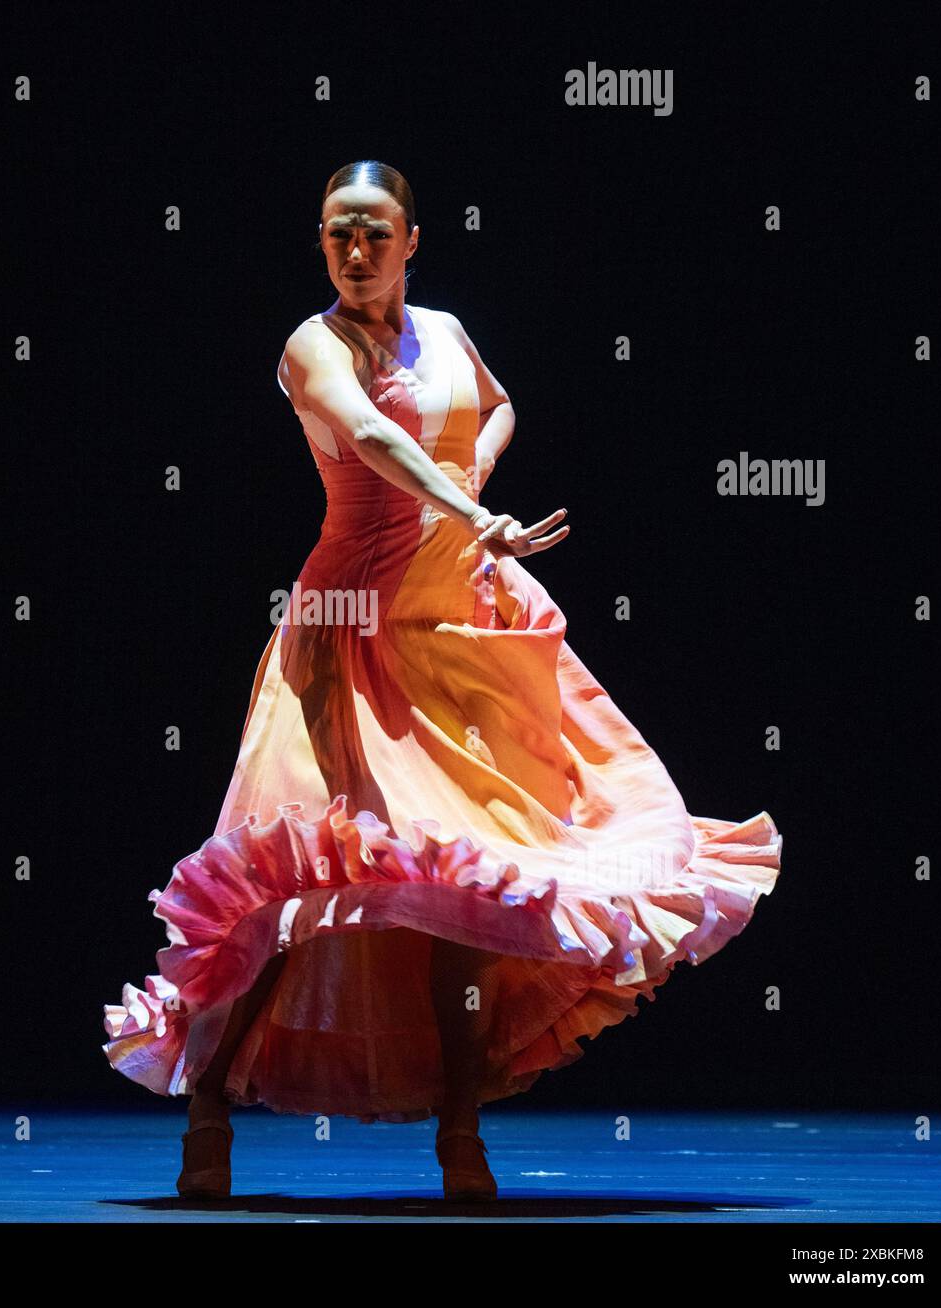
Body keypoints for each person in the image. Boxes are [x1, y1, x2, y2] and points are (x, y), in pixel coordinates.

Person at [104, 160, 782, 1202]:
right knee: (304, 889)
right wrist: (466, 512)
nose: (356, 251)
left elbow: (497, 404)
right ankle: (206, 1110)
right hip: (344, 638)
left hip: (451, 635)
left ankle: (461, 1132)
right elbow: (373, 435)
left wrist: (474, 490)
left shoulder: (449, 332)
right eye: (338, 233)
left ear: (412, 240)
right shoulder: (312, 344)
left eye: (375, 232)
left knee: (464, 890)